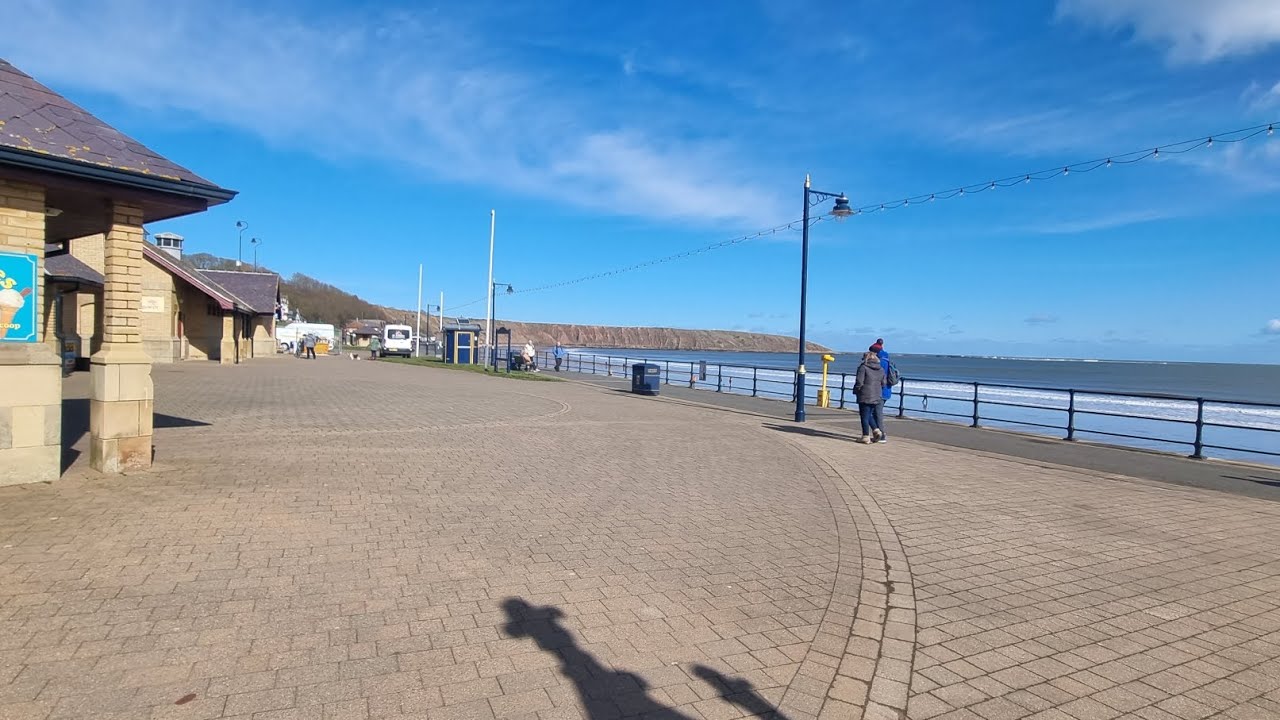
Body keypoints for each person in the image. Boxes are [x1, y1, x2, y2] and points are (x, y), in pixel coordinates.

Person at [853, 351, 887, 444]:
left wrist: (856, 390)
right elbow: (884, 383)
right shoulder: (881, 369)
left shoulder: (863, 367)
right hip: (877, 394)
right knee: (869, 414)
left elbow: (859, 381)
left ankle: (865, 436)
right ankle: (876, 430)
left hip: (865, 394)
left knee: (864, 415)